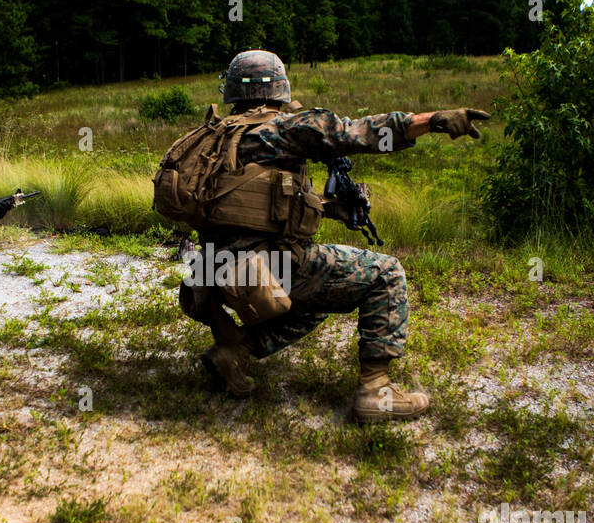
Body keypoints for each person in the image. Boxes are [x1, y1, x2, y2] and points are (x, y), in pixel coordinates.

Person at [164, 49, 489, 423]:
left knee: (321, 298)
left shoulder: (213, 136)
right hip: (269, 268)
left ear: (233, 91)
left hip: (209, 272)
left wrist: (326, 207)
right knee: (385, 273)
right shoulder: (284, 128)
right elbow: (359, 133)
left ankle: (235, 351)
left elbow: (245, 202)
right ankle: (375, 392)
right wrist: (432, 120)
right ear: (279, 88)